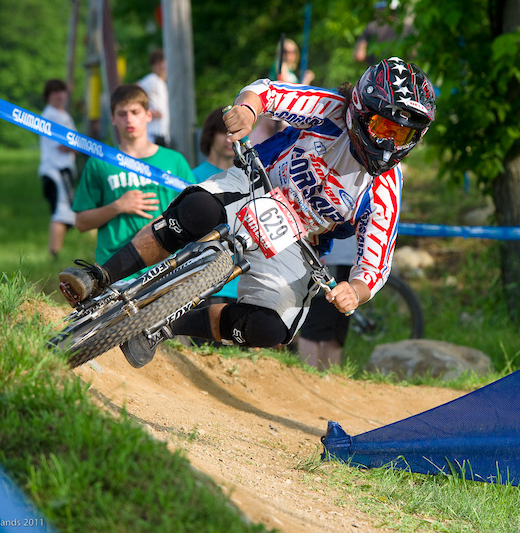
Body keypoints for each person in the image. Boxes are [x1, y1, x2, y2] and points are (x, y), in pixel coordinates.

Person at [58, 57, 436, 370]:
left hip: (299, 243)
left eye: (402, 135)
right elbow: (269, 92)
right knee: (197, 208)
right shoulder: (330, 110)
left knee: (271, 329)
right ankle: (101, 275)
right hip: (259, 186)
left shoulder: (386, 185)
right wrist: (247, 109)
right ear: (360, 109)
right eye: (384, 125)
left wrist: (354, 291)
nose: (389, 142)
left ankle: (163, 325)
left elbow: (375, 262)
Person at [67, 83, 193, 283]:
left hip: (168, 266)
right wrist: (117, 206)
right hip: (116, 270)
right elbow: (81, 223)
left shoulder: (174, 161)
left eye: (135, 112)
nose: (129, 119)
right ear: (113, 119)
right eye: (122, 113)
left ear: (148, 115)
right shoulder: (100, 162)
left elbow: (193, 211)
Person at [192, 106, 239, 304]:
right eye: (223, 132)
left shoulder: (246, 178)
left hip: (241, 282)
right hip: (202, 284)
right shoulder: (192, 178)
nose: (229, 139)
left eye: (234, 133)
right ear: (211, 135)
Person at [296, 236, 358, 369]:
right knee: (314, 326)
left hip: (348, 260)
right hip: (324, 261)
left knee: (337, 330)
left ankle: (330, 381)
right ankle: (308, 375)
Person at [38, 79, 78, 258]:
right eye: (55, 92)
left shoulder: (63, 115)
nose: (60, 96)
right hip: (55, 171)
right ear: (48, 96)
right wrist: (83, 145)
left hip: (63, 170)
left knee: (66, 210)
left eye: (62, 91)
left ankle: (55, 252)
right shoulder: (50, 116)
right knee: (61, 212)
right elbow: (64, 145)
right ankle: (54, 253)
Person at [251, 37, 316, 145]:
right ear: (280, 53)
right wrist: (306, 81)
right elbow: (292, 92)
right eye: (285, 51)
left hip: (282, 117)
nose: (289, 55)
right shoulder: (279, 66)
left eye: (292, 51)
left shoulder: (290, 71)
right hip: (274, 119)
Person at [354, 1, 413, 65]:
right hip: (402, 72)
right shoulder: (408, 28)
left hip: (378, 72)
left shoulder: (371, 27)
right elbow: (414, 53)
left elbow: (359, 56)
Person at [137, 49, 170, 147]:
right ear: (153, 66)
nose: (162, 66)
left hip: (162, 134)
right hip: (153, 135)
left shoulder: (161, 82)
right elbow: (132, 93)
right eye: (159, 63)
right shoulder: (152, 79)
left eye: (164, 62)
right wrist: (147, 111)